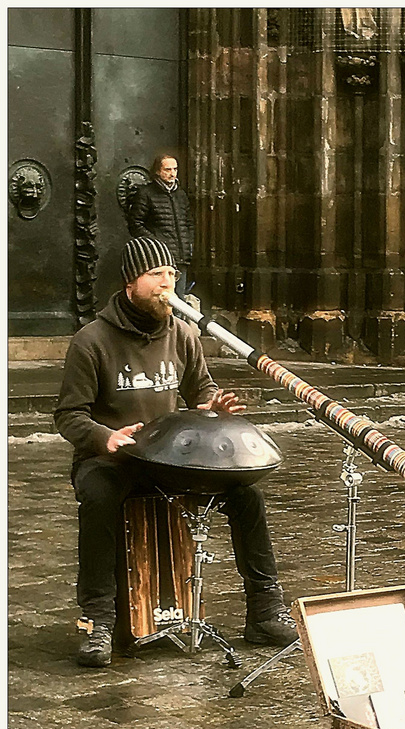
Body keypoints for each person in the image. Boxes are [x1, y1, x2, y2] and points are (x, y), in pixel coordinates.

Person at [54, 236, 297, 668]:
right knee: (99, 496)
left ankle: (264, 610)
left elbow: (200, 391)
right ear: (131, 282)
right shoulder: (91, 341)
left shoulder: (183, 334)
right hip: (115, 460)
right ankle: (98, 620)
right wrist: (104, 437)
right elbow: (69, 416)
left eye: (172, 275)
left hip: (168, 461)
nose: (168, 285)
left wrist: (211, 408)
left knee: (247, 497)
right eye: (157, 276)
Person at [127, 155, 194, 299]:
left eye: (175, 169)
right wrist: (156, 243)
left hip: (181, 257)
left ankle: (176, 322)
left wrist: (189, 244)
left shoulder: (180, 195)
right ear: (158, 171)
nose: (172, 173)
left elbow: (188, 223)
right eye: (167, 169)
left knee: (179, 301)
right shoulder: (146, 193)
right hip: (159, 259)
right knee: (160, 300)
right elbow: (135, 224)